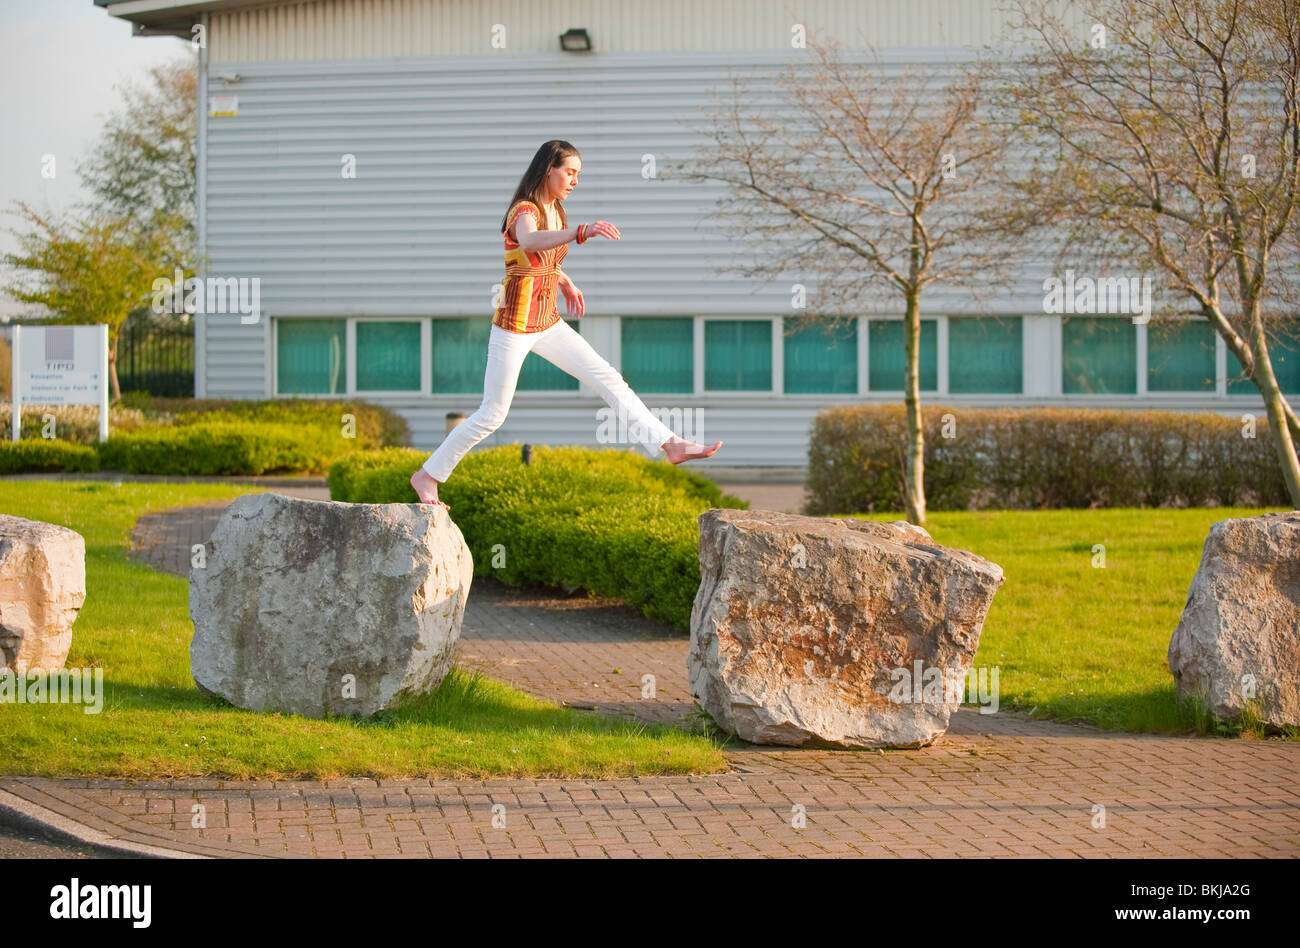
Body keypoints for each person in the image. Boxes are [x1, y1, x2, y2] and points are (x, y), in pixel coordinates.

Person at [411, 140, 722, 509]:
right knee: (492, 413)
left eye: (578, 174)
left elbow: (540, 260)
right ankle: (427, 476)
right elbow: (528, 241)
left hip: (548, 322)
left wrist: (563, 279)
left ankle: (669, 444)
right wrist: (581, 232)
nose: (575, 181)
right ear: (548, 169)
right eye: (570, 172)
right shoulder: (524, 210)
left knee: (608, 378)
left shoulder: (557, 210)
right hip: (514, 326)